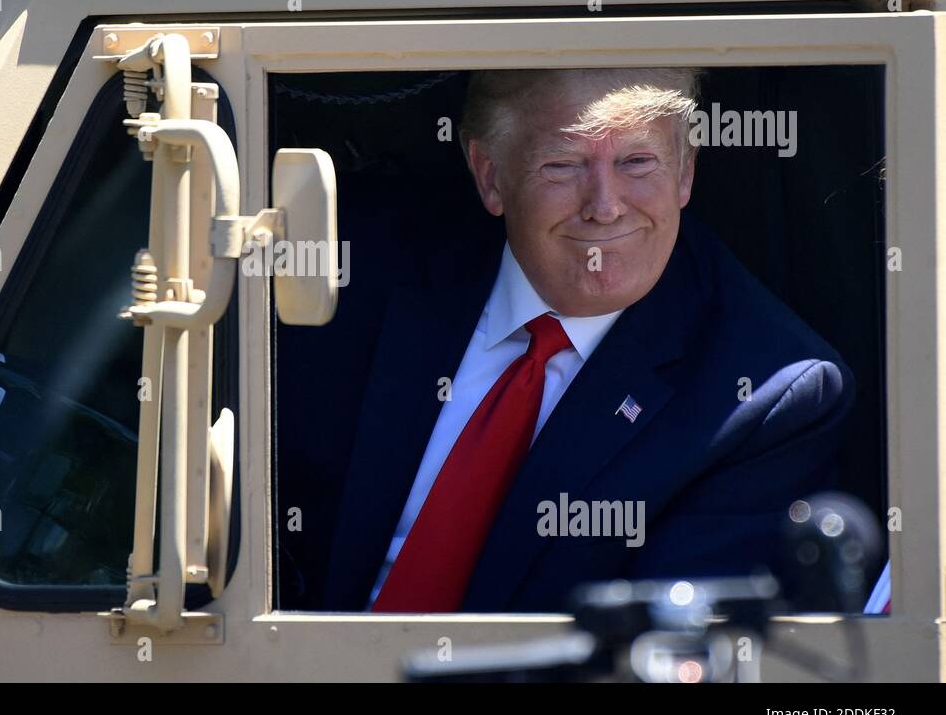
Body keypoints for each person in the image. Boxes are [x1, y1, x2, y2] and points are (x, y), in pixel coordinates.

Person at [292, 67, 855, 613]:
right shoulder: (352, 267)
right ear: (489, 174)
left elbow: (655, 651)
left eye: (637, 161)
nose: (605, 206)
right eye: (563, 165)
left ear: (686, 170)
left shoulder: (764, 398)